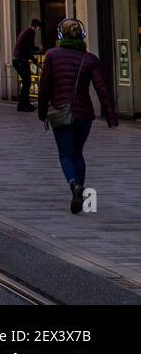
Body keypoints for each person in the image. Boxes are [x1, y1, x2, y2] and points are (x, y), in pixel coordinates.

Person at [38, 18, 118, 214]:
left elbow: (44, 87)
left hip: (60, 111)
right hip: (84, 114)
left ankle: (74, 185)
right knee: (78, 153)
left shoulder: (52, 55)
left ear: (60, 36)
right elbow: (102, 89)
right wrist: (111, 118)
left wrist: (42, 112)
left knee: (66, 154)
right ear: (82, 36)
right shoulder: (90, 59)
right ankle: (80, 193)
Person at [12, 18, 42, 112]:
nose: (38, 30)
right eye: (38, 28)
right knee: (27, 83)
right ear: (36, 27)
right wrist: (39, 49)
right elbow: (30, 48)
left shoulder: (26, 32)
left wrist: (35, 62)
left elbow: (27, 50)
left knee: (26, 83)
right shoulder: (30, 33)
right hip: (20, 61)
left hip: (18, 60)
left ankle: (23, 105)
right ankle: (24, 105)